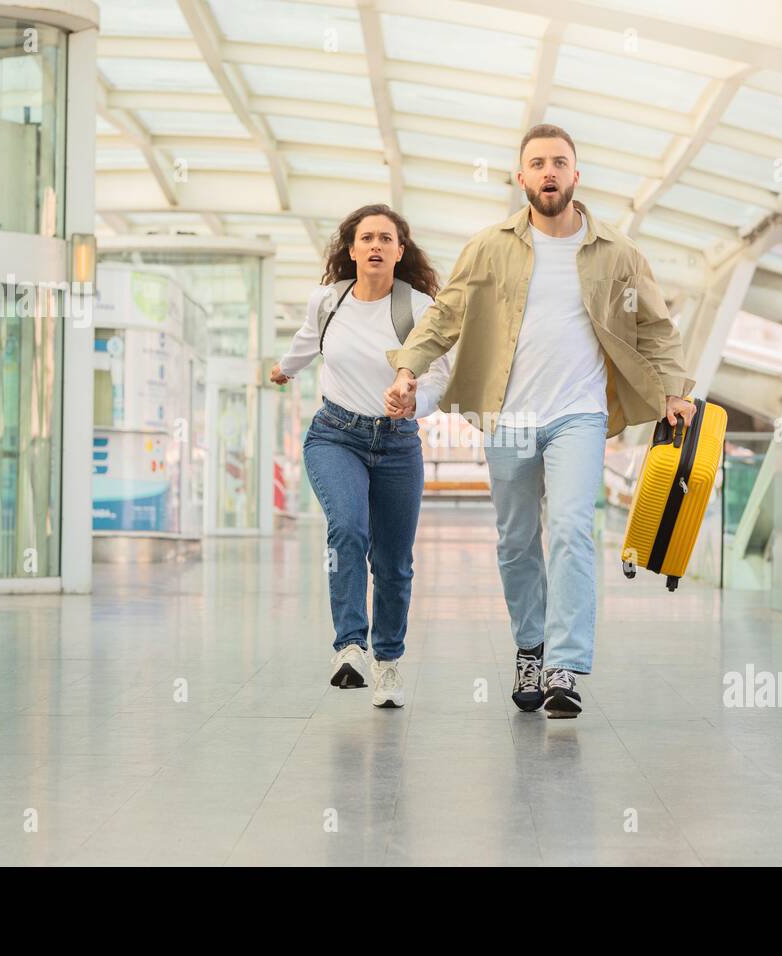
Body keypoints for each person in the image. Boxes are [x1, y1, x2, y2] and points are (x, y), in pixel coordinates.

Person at [384, 124, 696, 719]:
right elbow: (444, 317)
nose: (548, 171)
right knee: (517, 539)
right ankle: (532, 647)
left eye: (559, 162)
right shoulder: (488, 247)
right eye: (537, 163)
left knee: (574, 528)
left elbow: (655, 328)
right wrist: (408, 371)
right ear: (521, 177)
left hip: (579, 414)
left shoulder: (618, 252)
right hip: (511, 416)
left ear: (575, 175)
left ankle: (566, 666)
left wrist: (675, 391)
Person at [271, 204, 451, 709]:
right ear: (351, 250)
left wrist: (415, 400)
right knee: (347, 526)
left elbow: (439, 375)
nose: (375, 245)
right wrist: (284, 369)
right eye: (366, 238)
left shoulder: (417, 308)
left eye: (385, 239)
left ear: (399, 251)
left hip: (397, 443)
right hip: (336, 435)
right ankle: (350, 646)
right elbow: (310, 342)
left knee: (393, 563)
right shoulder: (327, 301)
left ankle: (388, 661)